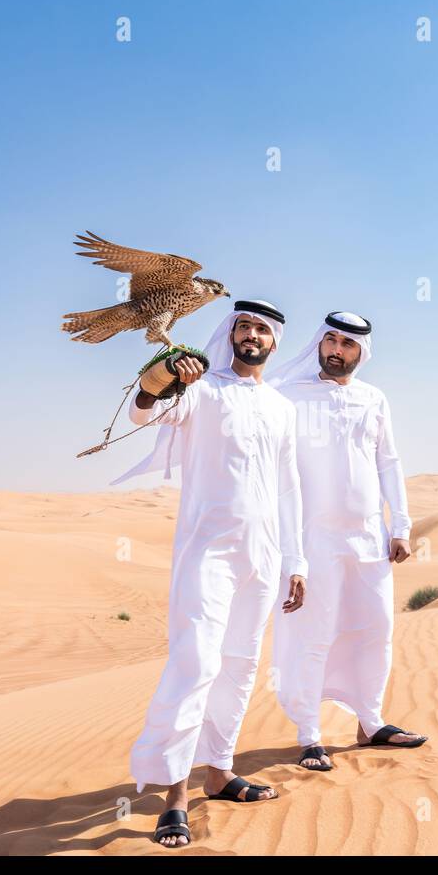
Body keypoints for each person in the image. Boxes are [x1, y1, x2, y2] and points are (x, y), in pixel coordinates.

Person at [113, 299, 307, 847]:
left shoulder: (281, 406)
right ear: (232, 332)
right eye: (243, 325)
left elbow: (290, 486)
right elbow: (144, 413)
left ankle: (218, 771)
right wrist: (157, 383)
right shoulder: (201, 387)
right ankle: (174, 793)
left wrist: (296, 560)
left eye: (262, 329)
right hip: (207, 552)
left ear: (275, 343)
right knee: (196, 660)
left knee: (241, 665)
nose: (251, 334)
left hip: (264, 554)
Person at [268, 310, 427, 774]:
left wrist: (401, 525)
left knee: (376, 630)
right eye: (332, 340)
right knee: (313, 635)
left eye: (348, 345)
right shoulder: (286, 396)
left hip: (368, 537)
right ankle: (308, 734)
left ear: (362, 352)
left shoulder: (373, 399)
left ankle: (371, 721)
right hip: (311, 538)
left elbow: (388, 462)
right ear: (319, 342)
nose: (338, 350)